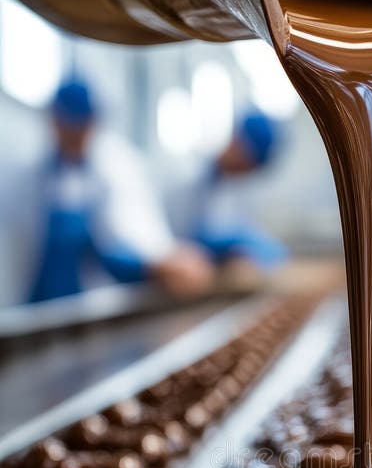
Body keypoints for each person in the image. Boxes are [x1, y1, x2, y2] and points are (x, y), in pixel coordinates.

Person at [0, 78, 214, 304]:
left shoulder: (117, 165)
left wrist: (161, 260)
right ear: (54, 121)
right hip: (33, 298)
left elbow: (132, 229)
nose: (75, 134)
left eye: (81, 127)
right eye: (67, 125)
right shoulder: (27, 171)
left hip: (89, 298)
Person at [169, 109, 288, 271]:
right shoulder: (186, 171)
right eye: (246, 164)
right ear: (237, 142)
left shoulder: (230, 186)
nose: (244, 173)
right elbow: (178, 237)